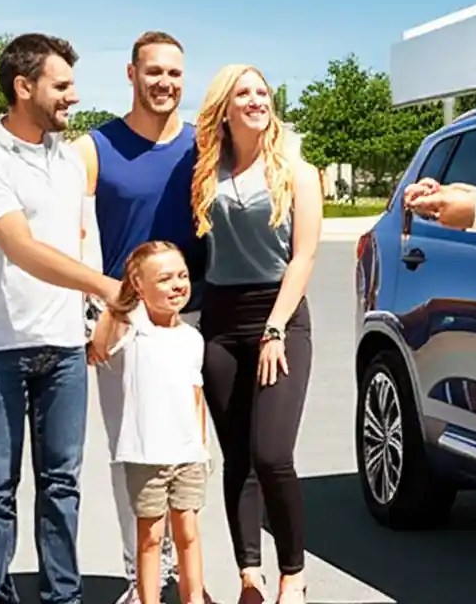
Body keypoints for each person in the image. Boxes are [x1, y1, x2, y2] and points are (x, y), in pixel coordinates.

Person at [0, 33, 121, 604]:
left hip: (64, 348)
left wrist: (97, 312)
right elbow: (20, 248)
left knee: (62, 485)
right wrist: (104, 285)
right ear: (24, 87)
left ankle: (62, 596)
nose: (73, 96)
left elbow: (83, 237)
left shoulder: (68, 159)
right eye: (62, 84)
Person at [77, 30, 206, 604]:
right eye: (153, 72)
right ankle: (141, 577)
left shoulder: (205, 145)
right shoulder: (95, 148)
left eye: (175, 73)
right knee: (131, 450)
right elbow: (77, 232)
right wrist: (103, 312)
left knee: (191, 450)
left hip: (193, 315)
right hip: (124, 322)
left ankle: (186, 576)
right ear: (131, 74)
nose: (165, 83)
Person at [190, 64, 322, 604]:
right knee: (237, 457)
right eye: (243, 93)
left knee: (272, 454)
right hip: (220, 320)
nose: (255, 100)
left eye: (262, 92)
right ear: (224, 107)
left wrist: (274, 329)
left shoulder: (296, 169)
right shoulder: (206, 170)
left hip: (279, 316)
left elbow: (305, 254)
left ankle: (294, 571)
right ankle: (250, 574)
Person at [100, 241, 208, 604]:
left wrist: (202, 449)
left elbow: (197, 396)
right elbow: (99, 345)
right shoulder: (131, 328)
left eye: (182, 276)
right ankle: (150, 598)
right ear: (139, 285)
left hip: (188, 455)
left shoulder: (192, 338)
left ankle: (193, 597)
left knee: (188, 533)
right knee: (150, 536)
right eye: (164, 279)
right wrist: (122, 297)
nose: (177, 285)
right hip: (146, 457)